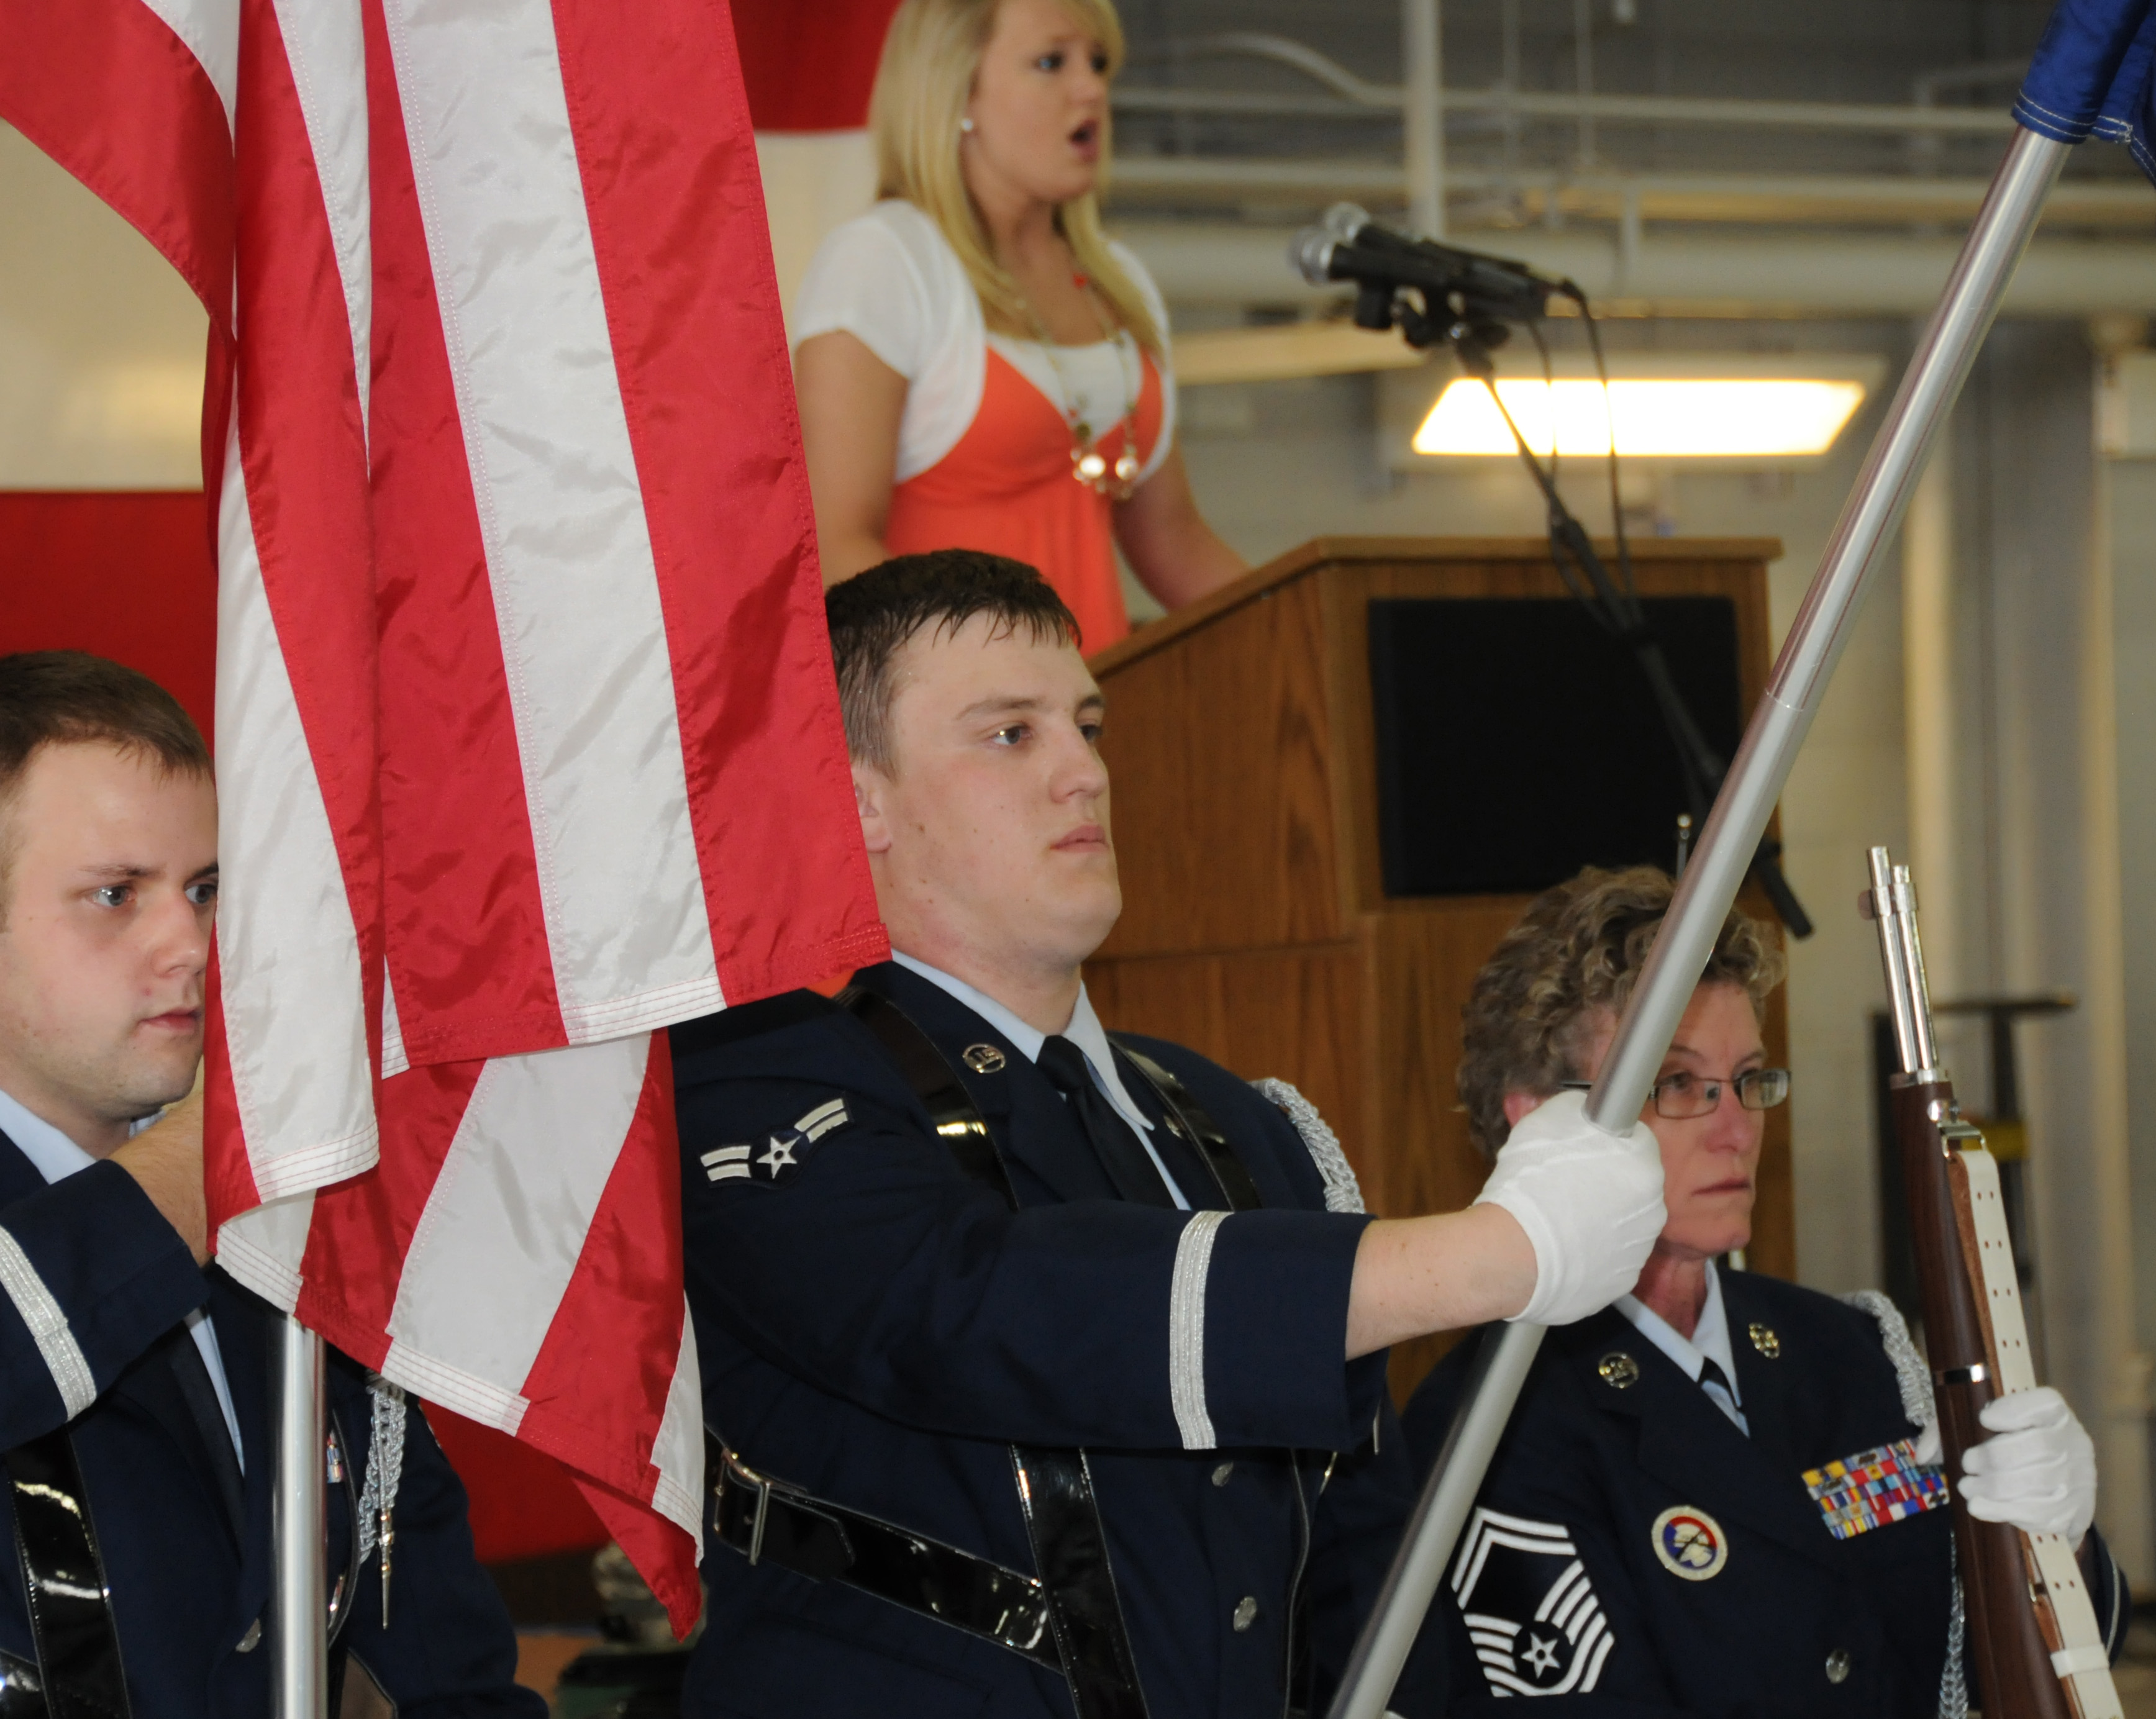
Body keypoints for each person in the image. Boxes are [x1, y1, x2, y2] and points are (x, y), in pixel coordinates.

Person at [671, 551, 1670, 1718]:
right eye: (1010, 734)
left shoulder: (1227, 1118)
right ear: (860, 802)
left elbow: (1350, 1539)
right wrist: (1491, 1252)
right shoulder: (758, 1080)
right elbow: (972, 1307)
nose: (1082, 772)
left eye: (1084, 724)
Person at [0, 652, 543, 1718]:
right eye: (114, 894)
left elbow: (427, 1632)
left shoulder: (275, 1225)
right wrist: (213, 1144)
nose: (189, 945)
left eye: (208, 889)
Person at [1391, 865, 2124, 1715]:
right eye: (1676, 1085)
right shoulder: (1494, 1428)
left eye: (1749, 1079)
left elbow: (2034, 1666)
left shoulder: (1847, 1350)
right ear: (1537, 1124)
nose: (1737, 1130)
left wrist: (2056, 1545)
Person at [793, 0, 1249, 653]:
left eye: (1097, 63)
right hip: (955, 734)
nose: (1090, 90)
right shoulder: (885, 259)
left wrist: (1319, 624)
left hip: (1097, 725)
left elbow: (1174, 540)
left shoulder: (1118, 282)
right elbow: (833, 541)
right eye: (1050, 63)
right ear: (958, 94)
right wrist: (979, 684)